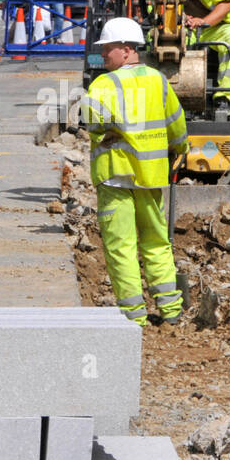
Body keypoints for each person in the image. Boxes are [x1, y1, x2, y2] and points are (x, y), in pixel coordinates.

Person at [82, 17, 189, 327]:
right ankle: (171, 312)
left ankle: (134, 318)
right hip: (151, 178)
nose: (102, 54)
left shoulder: (103, 84)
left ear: (126, 50)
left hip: (115, 177)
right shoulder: (158, 80)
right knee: (157, 242)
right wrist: (179, 151)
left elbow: (93, 126)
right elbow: (177, 127)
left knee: (121, 247)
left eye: (108, 49)